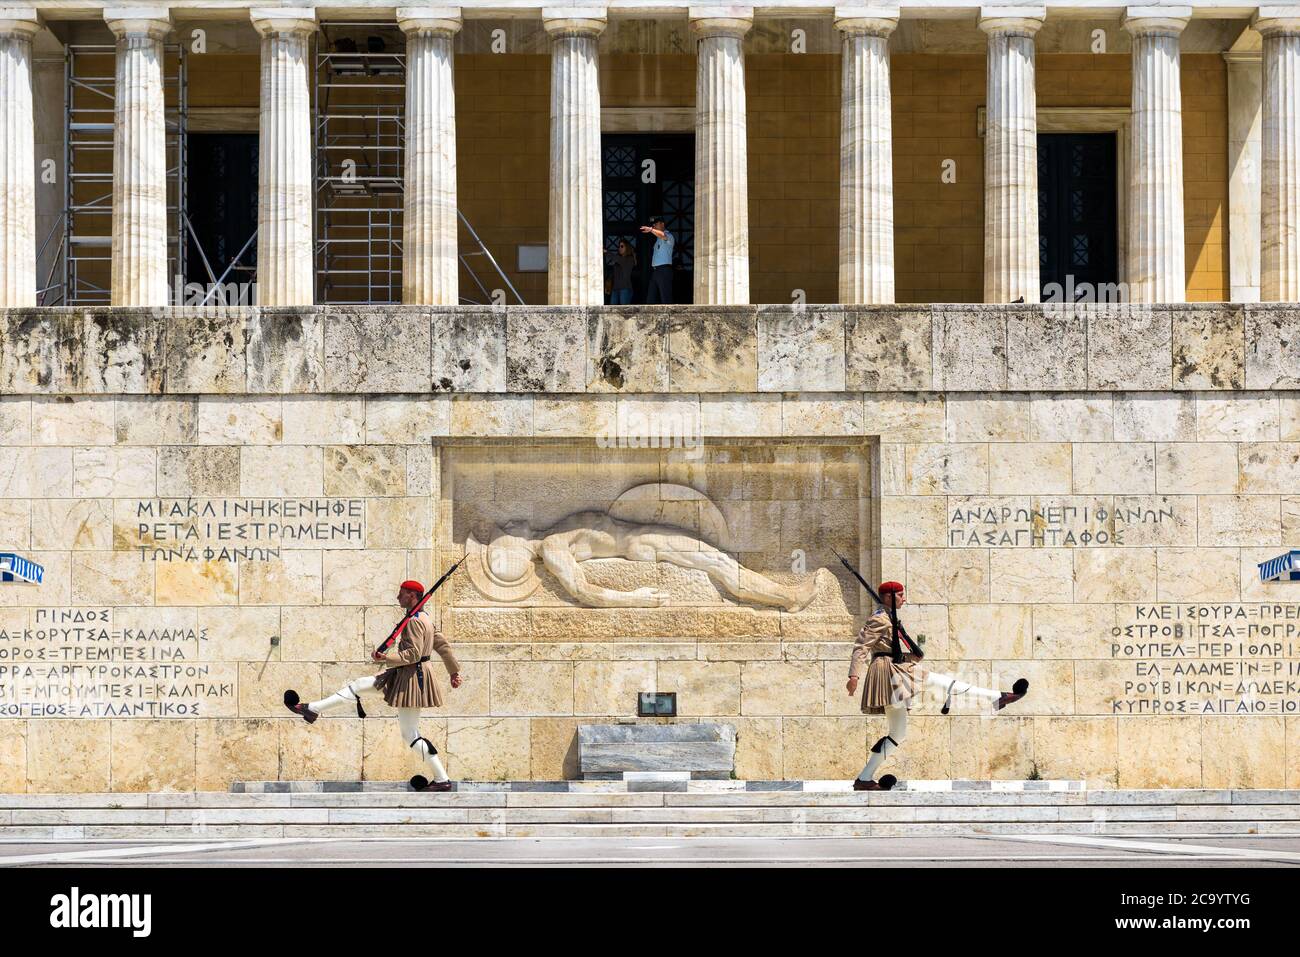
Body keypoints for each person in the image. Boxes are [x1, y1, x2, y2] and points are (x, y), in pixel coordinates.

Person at [283, 579, 464, 792]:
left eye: (402, 594)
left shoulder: (415, 621)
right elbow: (442, 645)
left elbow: (413, 654)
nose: (398, 597)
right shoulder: (425, 618)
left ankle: (442, 779)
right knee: (358, 685)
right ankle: (311, 709)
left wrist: (385, 658)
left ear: (413, 596)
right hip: (405, 676)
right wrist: (454, 672)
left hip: (410, 679)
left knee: (410, 734)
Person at [846, 581, 1028, 791]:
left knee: (898, 733)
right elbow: (862, 646)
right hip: (889, 671)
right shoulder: (879, 618)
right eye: (901, 595)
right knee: (940, 682)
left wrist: (909, 655)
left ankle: (865, 778)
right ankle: (997, 697)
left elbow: (888, 647)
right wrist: (854, 676)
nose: (904, 599)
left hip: (896, 666)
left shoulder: (889, 617)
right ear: (888, 597)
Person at [641, 217, 674, 304]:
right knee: (650, 298)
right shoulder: (657, 240)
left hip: (664, 270)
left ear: (662, 224)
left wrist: (650, 229)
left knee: (665, 297)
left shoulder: (669, 236)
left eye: (656, 224)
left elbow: (663, 235)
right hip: (656, 271)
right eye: (653, 225)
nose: (654, 226)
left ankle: (669, 317)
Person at [605, 239, 637, 305]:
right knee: (612, 309)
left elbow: (617, 259)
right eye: (619, 247)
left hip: (625, 288)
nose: (620, 248)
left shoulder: (630, 259)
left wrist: (606, 252)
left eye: (622, 246)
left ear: (627, 247)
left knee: (624, 311)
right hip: (615, 288)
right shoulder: (618, 260)